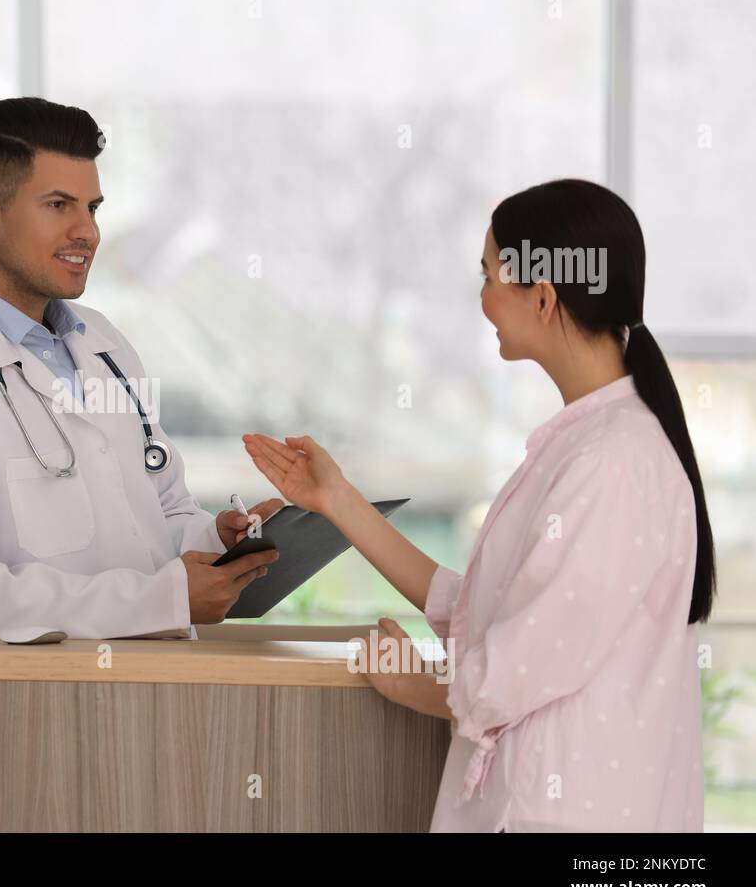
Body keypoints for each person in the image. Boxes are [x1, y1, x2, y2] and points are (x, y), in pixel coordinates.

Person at [245, 178, 712, 831]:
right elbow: (484, 614)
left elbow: (511, 671)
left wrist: (408, 678)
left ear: (543, 297)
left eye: (490, 274)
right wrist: (337, 500)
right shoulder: (589, 444)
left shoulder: (613, 461)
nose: (483, 297)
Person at [0, 97, 280, 640]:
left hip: (162, 691)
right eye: (60, 205)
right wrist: (163, 599)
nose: (88, 232)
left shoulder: (102, 342)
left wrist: (216, 543)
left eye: (93, 208)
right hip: (47, 710)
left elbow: (161, 510)